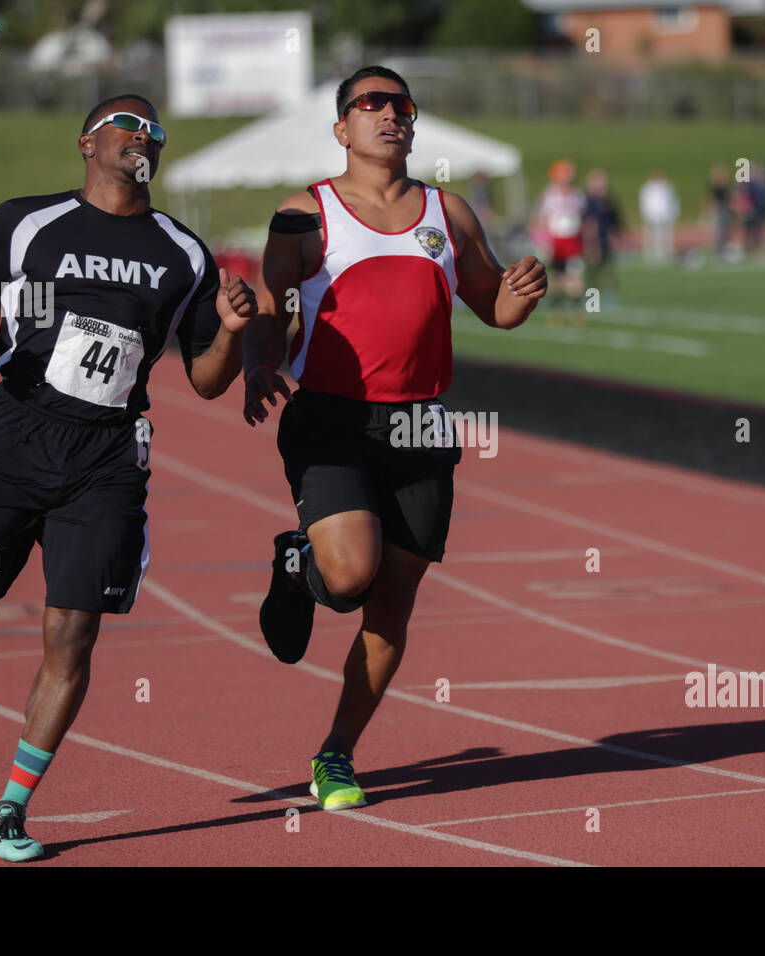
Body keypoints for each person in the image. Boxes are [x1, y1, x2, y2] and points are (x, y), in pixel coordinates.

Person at [0, 94, 257, 861]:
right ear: (87, 143)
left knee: (72, 630)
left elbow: (206, 380)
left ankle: (9, 809)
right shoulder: (30, 222)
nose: (144, 137)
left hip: (105, 456)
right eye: (128, 126)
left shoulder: (185, 254)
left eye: (155, 131)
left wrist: (233, 333)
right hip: (16, 434)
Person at [241, 66, 546, 811]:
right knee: (347, 577)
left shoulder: (451, 213)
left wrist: (518, 298)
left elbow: (491, 306)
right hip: (333, 417)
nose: (389, 115)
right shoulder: (301, 214)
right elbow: (270, 312)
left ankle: (336, 754)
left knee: (392, 605)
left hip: (420, 420)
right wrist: (256, 363)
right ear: (341, 127)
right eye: (370, 104)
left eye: (400, 105)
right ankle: (300, 564)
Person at [531, 158, 586, 311]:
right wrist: (542, 241)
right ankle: (557, 308)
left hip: (573, 240)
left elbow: (583, 218)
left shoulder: (578, 195)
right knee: (556, 275)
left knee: (575, 275)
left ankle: (576, 308)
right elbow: (540, 218)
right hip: (556, 240)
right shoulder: (549, 195)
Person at [583, 167, 622, 303]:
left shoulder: (609, 201)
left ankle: (609, 297)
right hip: (591, 241)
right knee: (591, 271)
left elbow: (616, 221)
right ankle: (591, 300)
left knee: (606, 270)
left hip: (605, 240)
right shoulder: (586, 201)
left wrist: (616, 236)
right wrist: (590, 243)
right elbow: (586, 222)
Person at [639, 170, 679, 264]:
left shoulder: (668, 187)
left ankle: (666, 253)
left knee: (665, 235)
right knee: (650, 235)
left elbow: (673, 200)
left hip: (665, 214)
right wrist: (646, 213)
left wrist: (673, 212)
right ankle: (650, 254)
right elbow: (644, 201)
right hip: (651, 214)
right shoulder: (647, 188)